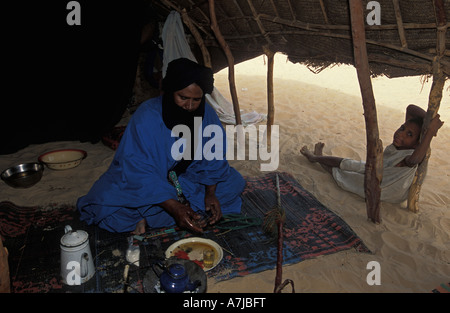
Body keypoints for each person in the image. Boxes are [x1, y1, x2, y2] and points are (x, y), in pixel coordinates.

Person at [77, 58, 245, 234]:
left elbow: (214, 157)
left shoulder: (206, 113)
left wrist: (210, 194)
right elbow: (137, 170)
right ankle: (169, 213)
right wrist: (174, 207)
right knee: (104, 206)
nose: (189, 106)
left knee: (234, 182)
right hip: (146, 181)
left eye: (196, 99)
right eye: (183, 97)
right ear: (170, 91)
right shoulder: (147, 116)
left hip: (185, 179)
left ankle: (168, 213)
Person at [300, 104, 444, 203]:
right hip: (380, 171)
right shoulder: (405, 145)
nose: (401, 133)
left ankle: (316, 158)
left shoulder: (411, 155)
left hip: (385, 188)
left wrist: (430, 132)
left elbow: (415, 160)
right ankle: (319, 157)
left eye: (409, 134)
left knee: (345, 173)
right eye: (402, 128)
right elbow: (411, 108)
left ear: (417, 143)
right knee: (351, 164)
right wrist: (428, 122)